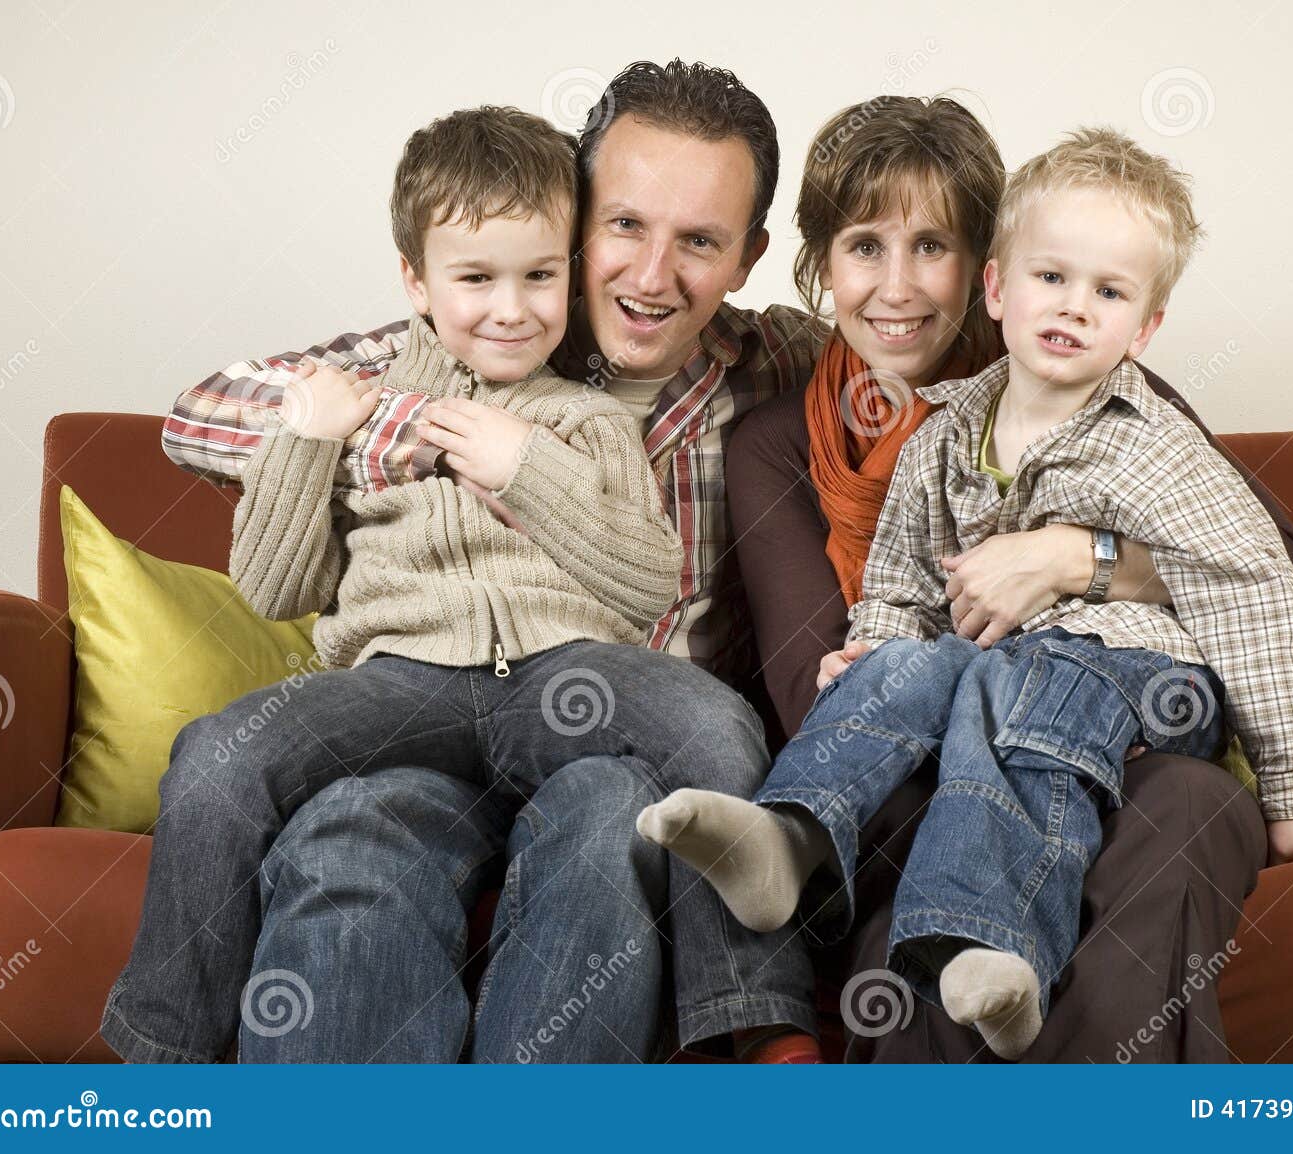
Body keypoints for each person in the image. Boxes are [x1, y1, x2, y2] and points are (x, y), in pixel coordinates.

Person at [156, 62, 825, 1062]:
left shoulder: (778, 364)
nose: (650, 275)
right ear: (572, 213)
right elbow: (198, 412)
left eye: (698, 241)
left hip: (610, 737)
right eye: (626, 226)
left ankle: (744, 1032)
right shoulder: (453, 338)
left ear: (746, 256)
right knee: (350, 829)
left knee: (617, 823)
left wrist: (1099, 532)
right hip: (409, 710)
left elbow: (996, 375)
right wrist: (397, 433)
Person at [642, 127, 1293, 1060]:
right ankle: (828, 866)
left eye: (929, 245)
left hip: (1124, 709)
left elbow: (1272, 574)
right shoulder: (809, 439)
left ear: (975, 266)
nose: (896, 287)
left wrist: (1070, 557)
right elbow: (845, 647)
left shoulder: (1115, 390)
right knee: (947, 765)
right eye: (864, 247)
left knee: (1191, 808)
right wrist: (877, 665)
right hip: (917, 755)